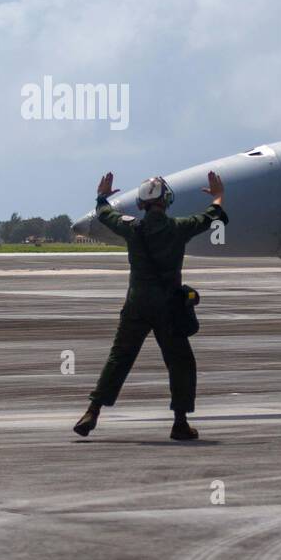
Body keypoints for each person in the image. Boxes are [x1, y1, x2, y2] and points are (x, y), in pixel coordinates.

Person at [73, 171, 228, 441]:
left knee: (119, 358)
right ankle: (180, 422)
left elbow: (105, 214)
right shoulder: (179, 227)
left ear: (142, 204)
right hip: (168, 307)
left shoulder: (132, 227)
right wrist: (217, 196)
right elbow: (211, 217)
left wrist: (101, 196)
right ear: (165, 201)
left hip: (136, 305)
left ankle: (92, 411)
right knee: (180, 363)